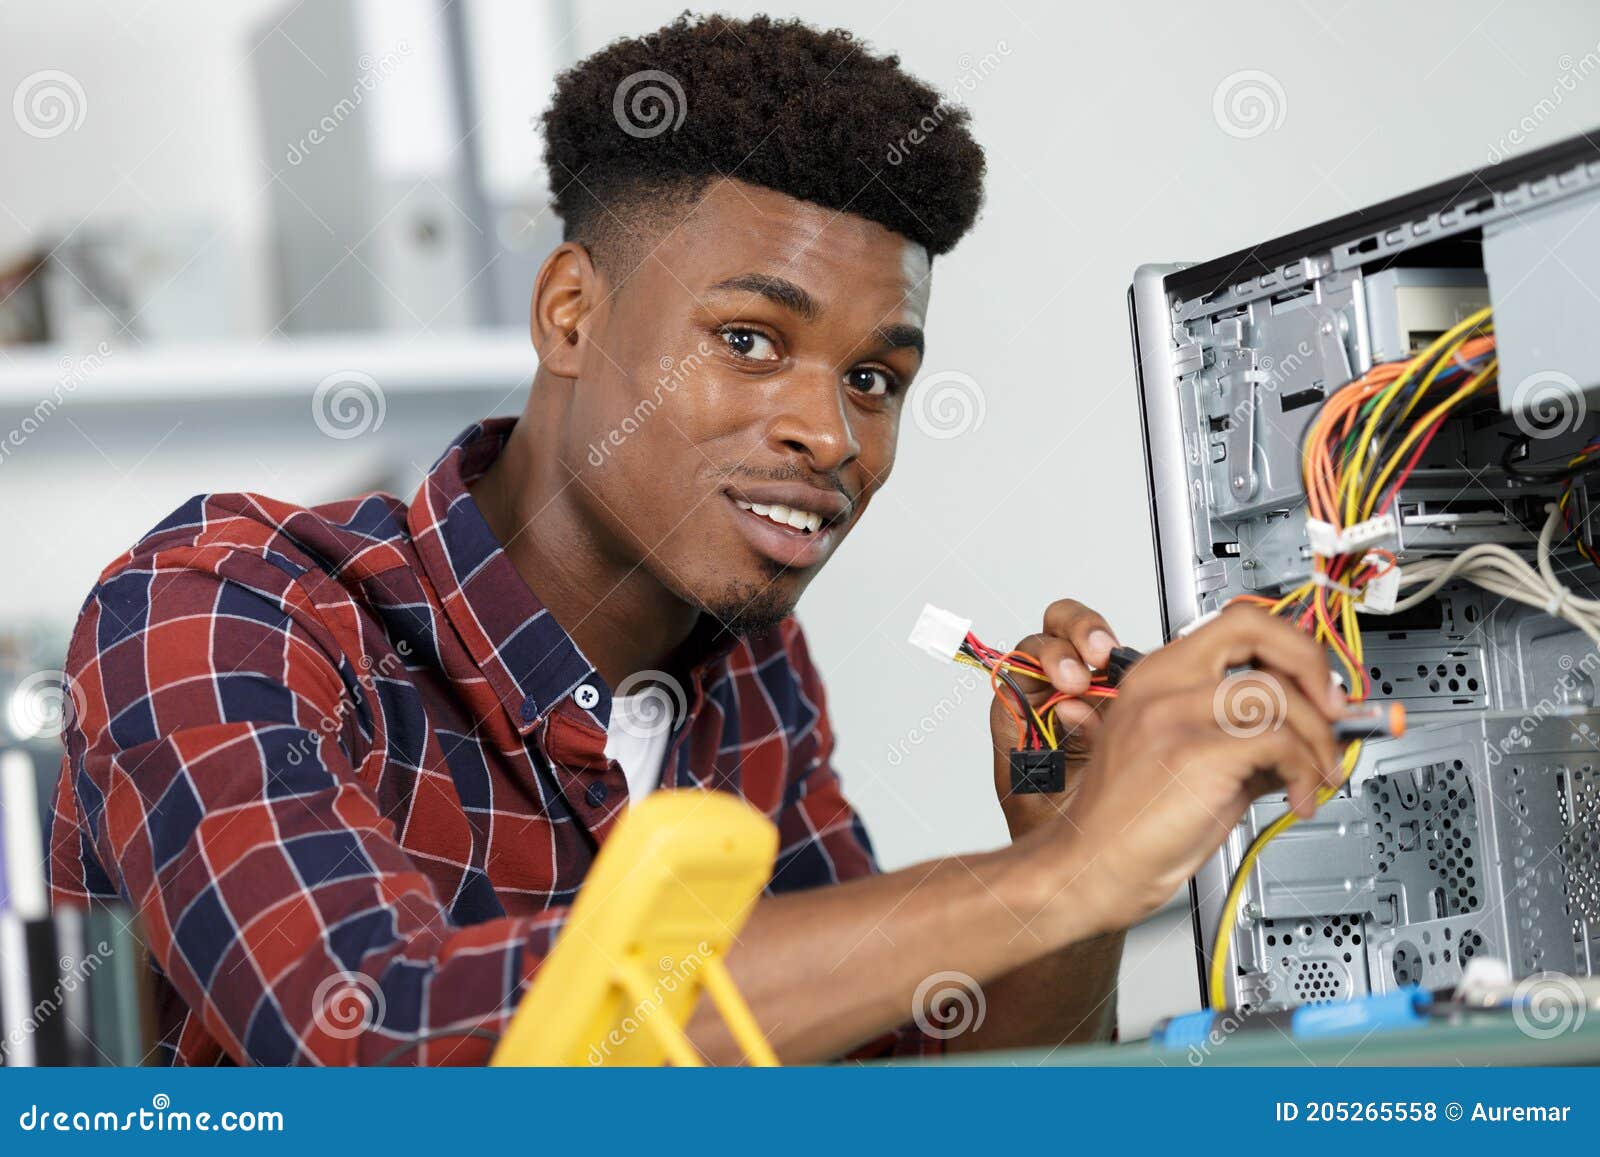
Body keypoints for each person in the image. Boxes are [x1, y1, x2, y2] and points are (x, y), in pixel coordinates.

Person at [50, 13, 1344, 1065]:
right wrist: (1068, 870)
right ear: (569, 312)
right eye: (750, 340)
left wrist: (1065, 863)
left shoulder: (753, 673)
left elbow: (908, 1096)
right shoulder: (225, 606)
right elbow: (380, 1042)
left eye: (877, 377)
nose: (830, 434)